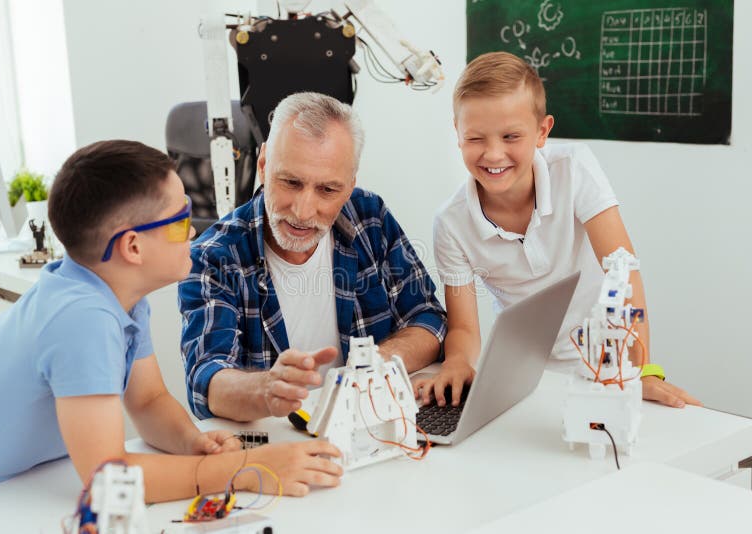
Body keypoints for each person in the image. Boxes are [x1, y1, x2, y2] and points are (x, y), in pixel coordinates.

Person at [0, 140, 342, 499]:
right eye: (179, 220)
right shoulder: (82, 318)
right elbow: (107, 478)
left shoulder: (117, 294)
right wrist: (245, 468)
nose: (191, 230)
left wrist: (194, 444)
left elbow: (148, 399)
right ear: (133, 247)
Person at [415, 52, 701, 409]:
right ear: (456, 134)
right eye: (475, 139)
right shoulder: (451, 223)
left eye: (510, 136)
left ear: (542, 132)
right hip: (524, 382)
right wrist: (457, 362)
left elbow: (623, 270)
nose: (493, 153)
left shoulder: (574, 168)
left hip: (607, 366)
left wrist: (639, 370)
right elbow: (463, 328)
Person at [179, 92, 447, 422]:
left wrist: (379, 359)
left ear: (349, 186)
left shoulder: (370, 217)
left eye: (327, 190)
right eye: (291, 182)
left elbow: (429, 318)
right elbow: (205, 381)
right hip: (279, 448)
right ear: (263, 166)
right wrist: (267, 389)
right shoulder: (213, 257)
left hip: (368, 427)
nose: (304, 211)